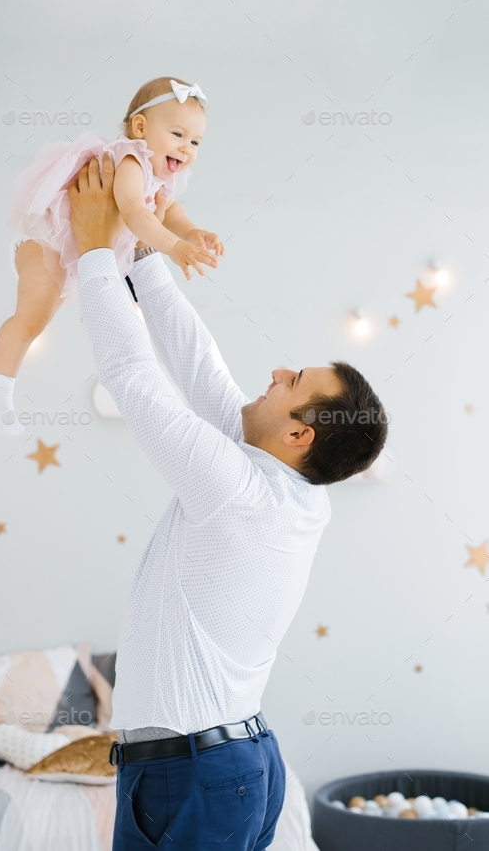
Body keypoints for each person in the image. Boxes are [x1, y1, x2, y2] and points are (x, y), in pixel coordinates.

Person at [68, 155, 388, 850]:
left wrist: (95, 248)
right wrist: (142, 246)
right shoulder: (288, 493)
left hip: (195, 769)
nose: (275, 370)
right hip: (233, 762)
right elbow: (201, 367)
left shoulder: (241, 493)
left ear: (301, 433)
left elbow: (131, 374)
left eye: (293, 378)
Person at [0, 76, 223, 436]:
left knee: (36, 321)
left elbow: (169, 211)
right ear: (140, 127)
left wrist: (193, 232)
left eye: (196, 141)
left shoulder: (159, 174)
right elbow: (135, 211)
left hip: (68, 257)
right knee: (30, 320)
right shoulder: (132, 161)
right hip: (49, 245)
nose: (187, 149)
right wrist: (174, 247)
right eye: (179, 135)